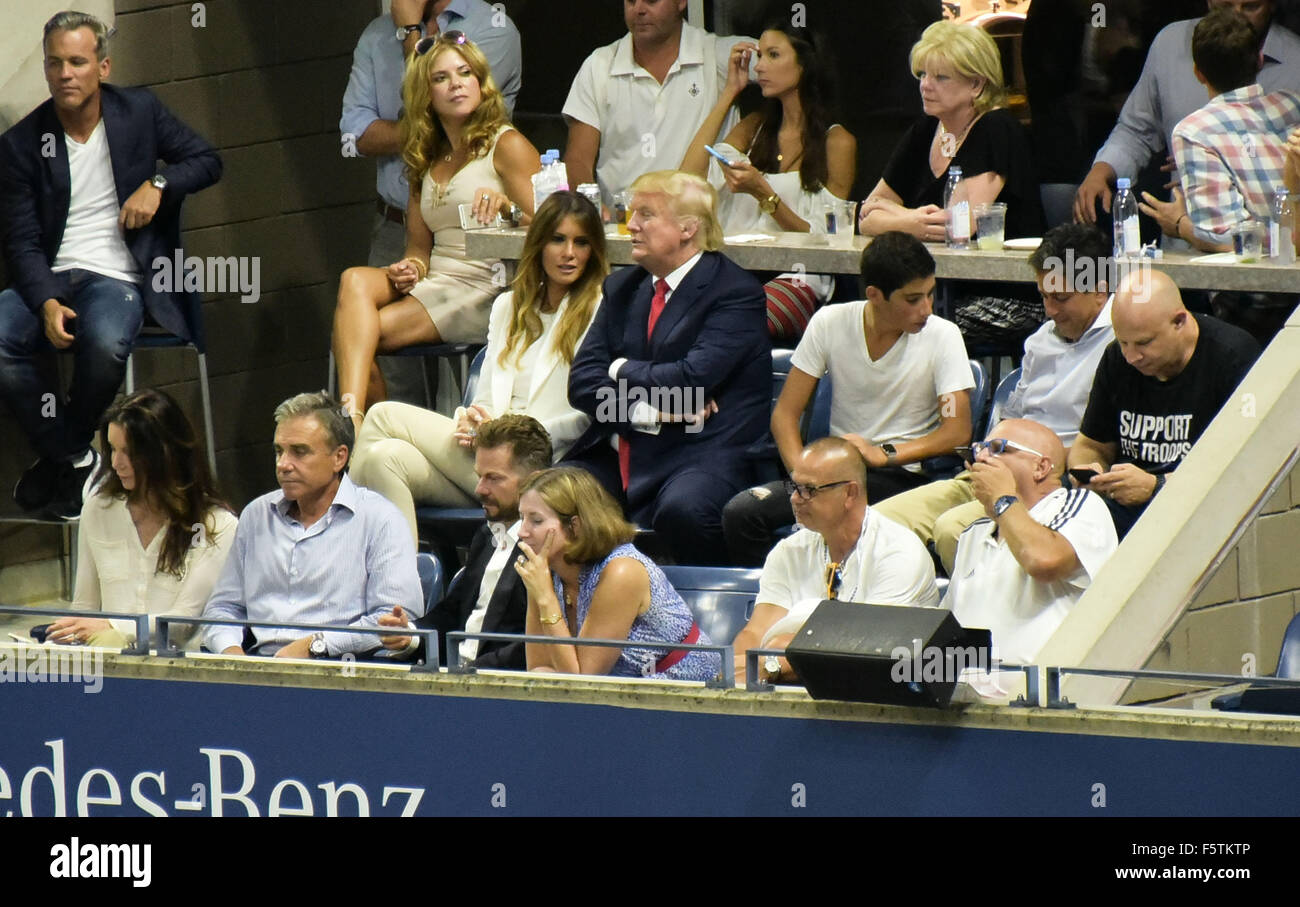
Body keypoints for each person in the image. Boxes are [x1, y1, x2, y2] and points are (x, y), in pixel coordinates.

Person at [0, 11, 222, 519]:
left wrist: (158, 185)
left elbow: (207, 160)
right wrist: (46, 301)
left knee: (104, 341)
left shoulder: (138, 111)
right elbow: (22, 242)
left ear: (102, 66)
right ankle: (77, 455)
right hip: (52, 276)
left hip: (118, 274)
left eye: (77, 62)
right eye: (54, 63)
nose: (64, 74)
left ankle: (65, 455)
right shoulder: (21, 145)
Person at [351, 190, 609, 543]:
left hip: (541, 460)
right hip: (487, 451)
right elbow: (486, 394)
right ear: (538, 245)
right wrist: (471, 420)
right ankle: (402, 588)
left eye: (581, 243)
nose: (569, 253)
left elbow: (589, 413)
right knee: (384, 458)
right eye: (558, 240)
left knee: (381, 416)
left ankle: (343, 549)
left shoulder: (600, 311)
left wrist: (514, 435)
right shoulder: (508, 307)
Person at [875, 223, 1115, 574]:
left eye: (1060, 298)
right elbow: (1011, 416)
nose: (1049, 310)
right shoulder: (1040, 340)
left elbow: (1100, 446)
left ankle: (980, 623)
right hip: (995, 467)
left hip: (1046, 484)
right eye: (1044, 296)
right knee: (878, 523)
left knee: (953, 530)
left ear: (1099, 290)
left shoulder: (1123, 345)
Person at [723, 232, 973, 567]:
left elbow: (956, 432)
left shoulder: (943, 335)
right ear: (875, 295)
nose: (926, 308)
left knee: (824, 526)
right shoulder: (830, 322)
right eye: (913, 299)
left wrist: (884, 455)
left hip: (899, 475)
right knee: (742, 513)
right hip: (830, 473)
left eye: (930, 294)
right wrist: (804, 477)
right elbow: (784, 415)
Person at [332, 32, 541, 429]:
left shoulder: (506, 144)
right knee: (354, 281)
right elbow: (418, 249)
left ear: (481, 82)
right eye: (442, 78)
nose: (456, 83)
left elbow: (559, 225)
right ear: (426, 93)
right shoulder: (424, 155)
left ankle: (359, 428)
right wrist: (410, 268)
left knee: (354, 338)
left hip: (484, 285)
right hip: (436, 280)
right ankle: (358, 421)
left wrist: (510, 210)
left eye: (465, 73)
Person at [566, 170, 770, 566]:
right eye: (632, 212)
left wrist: (620, 366)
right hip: (626, 446)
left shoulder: (735, 293)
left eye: (646, 214)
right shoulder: (623, 287)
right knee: (551, 498)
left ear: (687, 229)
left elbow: (692, 376)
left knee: (683, 510)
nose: (632, 224)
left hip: (701, 453)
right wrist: (651, 412)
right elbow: (582, 384)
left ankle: (697, 620)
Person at [202, 393, 423, 658]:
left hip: (339, 672)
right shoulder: (256, 515)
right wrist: (231, 652)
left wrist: (316, 645)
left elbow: (390, 621)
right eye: (278, 451)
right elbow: (224, 608)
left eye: (299, 451)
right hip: (257, 668)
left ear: (339, 458)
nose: (283, 465)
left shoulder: (381, 519)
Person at [680, 19, 857, 341]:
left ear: (805, 65)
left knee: (735, 324)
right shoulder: (755, 127)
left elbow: (828, 240)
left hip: (798, 276)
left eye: (773, 55)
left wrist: (765, 195)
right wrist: (729, 93)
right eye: (759, 55)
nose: (759, 66)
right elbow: (687, 181)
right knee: (671, 312)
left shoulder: (837, 141)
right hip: (735, 268)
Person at [730, 438, 941, 686]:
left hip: (877, 701)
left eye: (808, 489)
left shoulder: (898, 552)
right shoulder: (789, 551)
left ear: (849, 493)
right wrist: (737, 675)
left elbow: (869, 652)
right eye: (793, 487)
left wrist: (774, 662)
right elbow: (756, 632)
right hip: (789, 686)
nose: (794, 499)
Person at [1068, 269, 1260, 538]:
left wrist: (1155, 486)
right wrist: (1091, 470)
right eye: (1123, 342)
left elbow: (1244, 467)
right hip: (1120, 502)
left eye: (1144, 343)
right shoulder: (1117, 359)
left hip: (1198, 509)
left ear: (1179, 321)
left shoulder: (1232, 357)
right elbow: (1089, 445)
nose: (1132, 356)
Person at [1074, 0, 1300, 227]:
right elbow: (1136, 129)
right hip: (1185, 245)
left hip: (1271, 243)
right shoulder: (1169, 45)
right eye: (1225, 6)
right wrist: (1102, 170)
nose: (1236, 17)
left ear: (1271, 5)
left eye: (1250, 7)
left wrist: (1209, 158)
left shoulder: (1295, 67)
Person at [43, 389, 236, 651]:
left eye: (130, 452)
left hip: (178, 672)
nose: (116, 462)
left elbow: (182, 622)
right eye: (112, 449)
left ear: (166, 453)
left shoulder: (217, 525)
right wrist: (69, 634)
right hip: (110, 664)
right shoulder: (98, 509)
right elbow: (84, 608)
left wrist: (114, 628)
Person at [947, 419, 1118, 696]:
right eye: (979, 449)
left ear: (1040, 467)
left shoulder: (1078, 505)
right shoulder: (973, 535)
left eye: (998, 448)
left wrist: (1003, 497)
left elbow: (1044, 561)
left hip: (1046, 706)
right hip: (968, 706)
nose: (981, 458)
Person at [376, 414, 553, 669]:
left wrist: (470, 672)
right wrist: (410, 635)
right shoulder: (485, 535)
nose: (479, 489)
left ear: (535, 480)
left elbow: (533, 645)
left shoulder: (551, 549)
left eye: (494, 478)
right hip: (456, 682)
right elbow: (453, 613)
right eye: (479, 476)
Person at [513, 466, 721, 681]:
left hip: (686, 693)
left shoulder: (621, 571)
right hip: (616, 697)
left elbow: (582, 680)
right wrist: (542, 593)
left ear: (575, 526)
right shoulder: (544, 573)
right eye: (521, 518)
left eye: (536, 520)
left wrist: (546, 598)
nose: (522, 532)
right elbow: (539, 668)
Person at [859, 20, 1043, 244]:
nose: (925, 85)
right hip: (929, 267)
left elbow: (959, 226)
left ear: (976, 84)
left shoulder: (997, 129)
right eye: (923, 74)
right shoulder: (926, 128)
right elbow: (865, 216)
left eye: (941, 77)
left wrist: (900, 217)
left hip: (990, 271)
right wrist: (911, 221)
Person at [562, 0, 756, 209]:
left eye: (651, 0)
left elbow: (791, 65)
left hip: (704, 228)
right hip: (625, 227)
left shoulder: (719, 54)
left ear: (681, 2)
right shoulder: (599, 64)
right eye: (631, 1)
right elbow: (578, 161)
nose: (639, 10)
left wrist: (753, 122)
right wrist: (598, 215)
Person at [1138, 7, 1300, 253]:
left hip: (1253, 286)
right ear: (1259, 61)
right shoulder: (1293, 103)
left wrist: (1180, 224)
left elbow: (1231, 240)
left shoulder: (1194, 132)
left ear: (1198, 73)